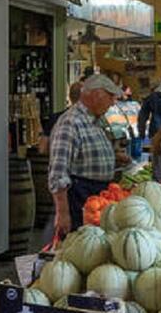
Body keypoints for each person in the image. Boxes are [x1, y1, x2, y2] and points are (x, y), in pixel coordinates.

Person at [47, 73, 124, 238]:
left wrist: (114, 157)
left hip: (95, 198)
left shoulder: (95, 120)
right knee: (80, 247)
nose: (113, 102)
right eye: (111, 96)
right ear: (97, 95)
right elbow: (58, 172)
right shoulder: (70, 122)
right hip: (78, 199)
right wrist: (63, 213)